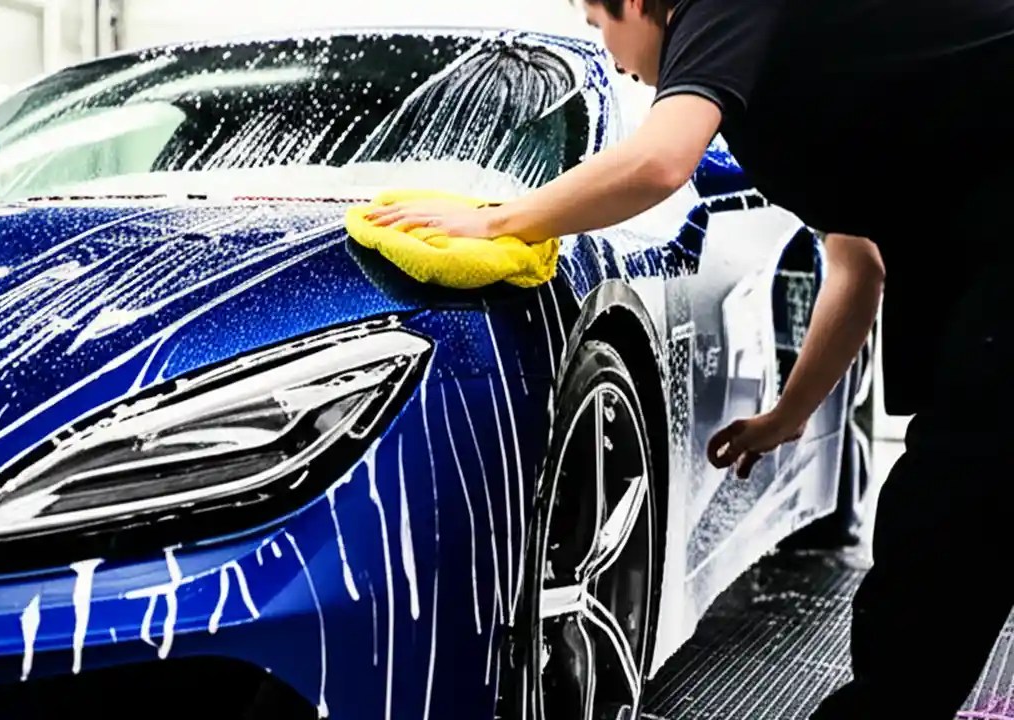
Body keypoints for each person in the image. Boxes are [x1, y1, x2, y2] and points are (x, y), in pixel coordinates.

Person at [365, 0, 1014, 717]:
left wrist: (495, 220)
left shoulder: (722, 7)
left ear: (640, 2)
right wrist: (787, 416)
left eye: (596, 18)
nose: (603, 41)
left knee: (949, 521)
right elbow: (859, 270)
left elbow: (658, 162)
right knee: (958, 514)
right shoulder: (777, 80)